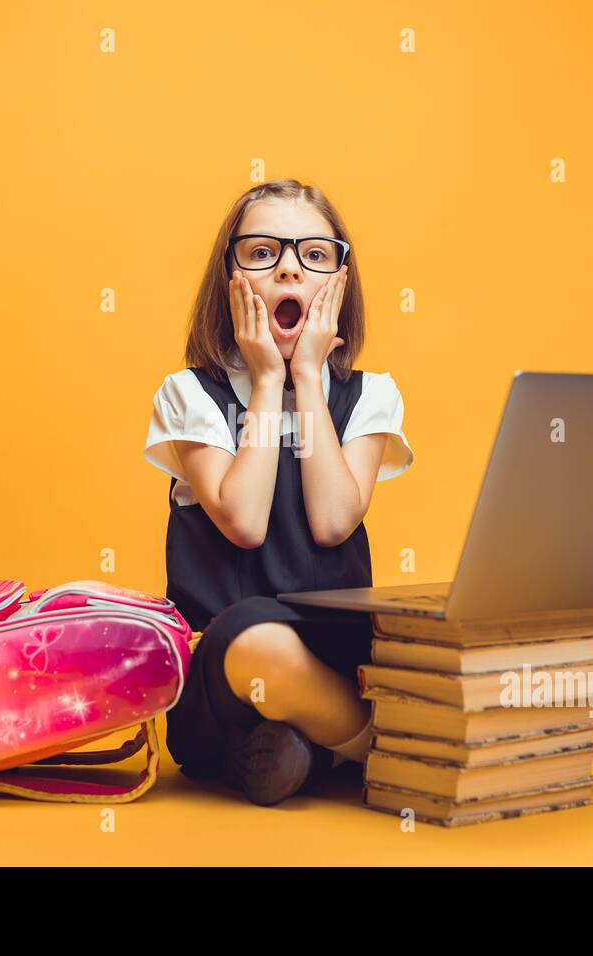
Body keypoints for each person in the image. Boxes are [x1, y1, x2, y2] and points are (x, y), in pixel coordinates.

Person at [144, 178, 414, 806]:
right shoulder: (190, 396)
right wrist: (268, 377)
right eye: (263, 253)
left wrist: (309, 378)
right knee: (257, 636)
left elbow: (333, 521)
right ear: (229, 281)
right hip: (231, 670)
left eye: (315, 255)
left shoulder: (371, 396)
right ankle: (383, 750)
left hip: (336, 652)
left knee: (373, 643)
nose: (290, 266)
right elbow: (243, 522)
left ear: (340, 284)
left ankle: (300, 747)